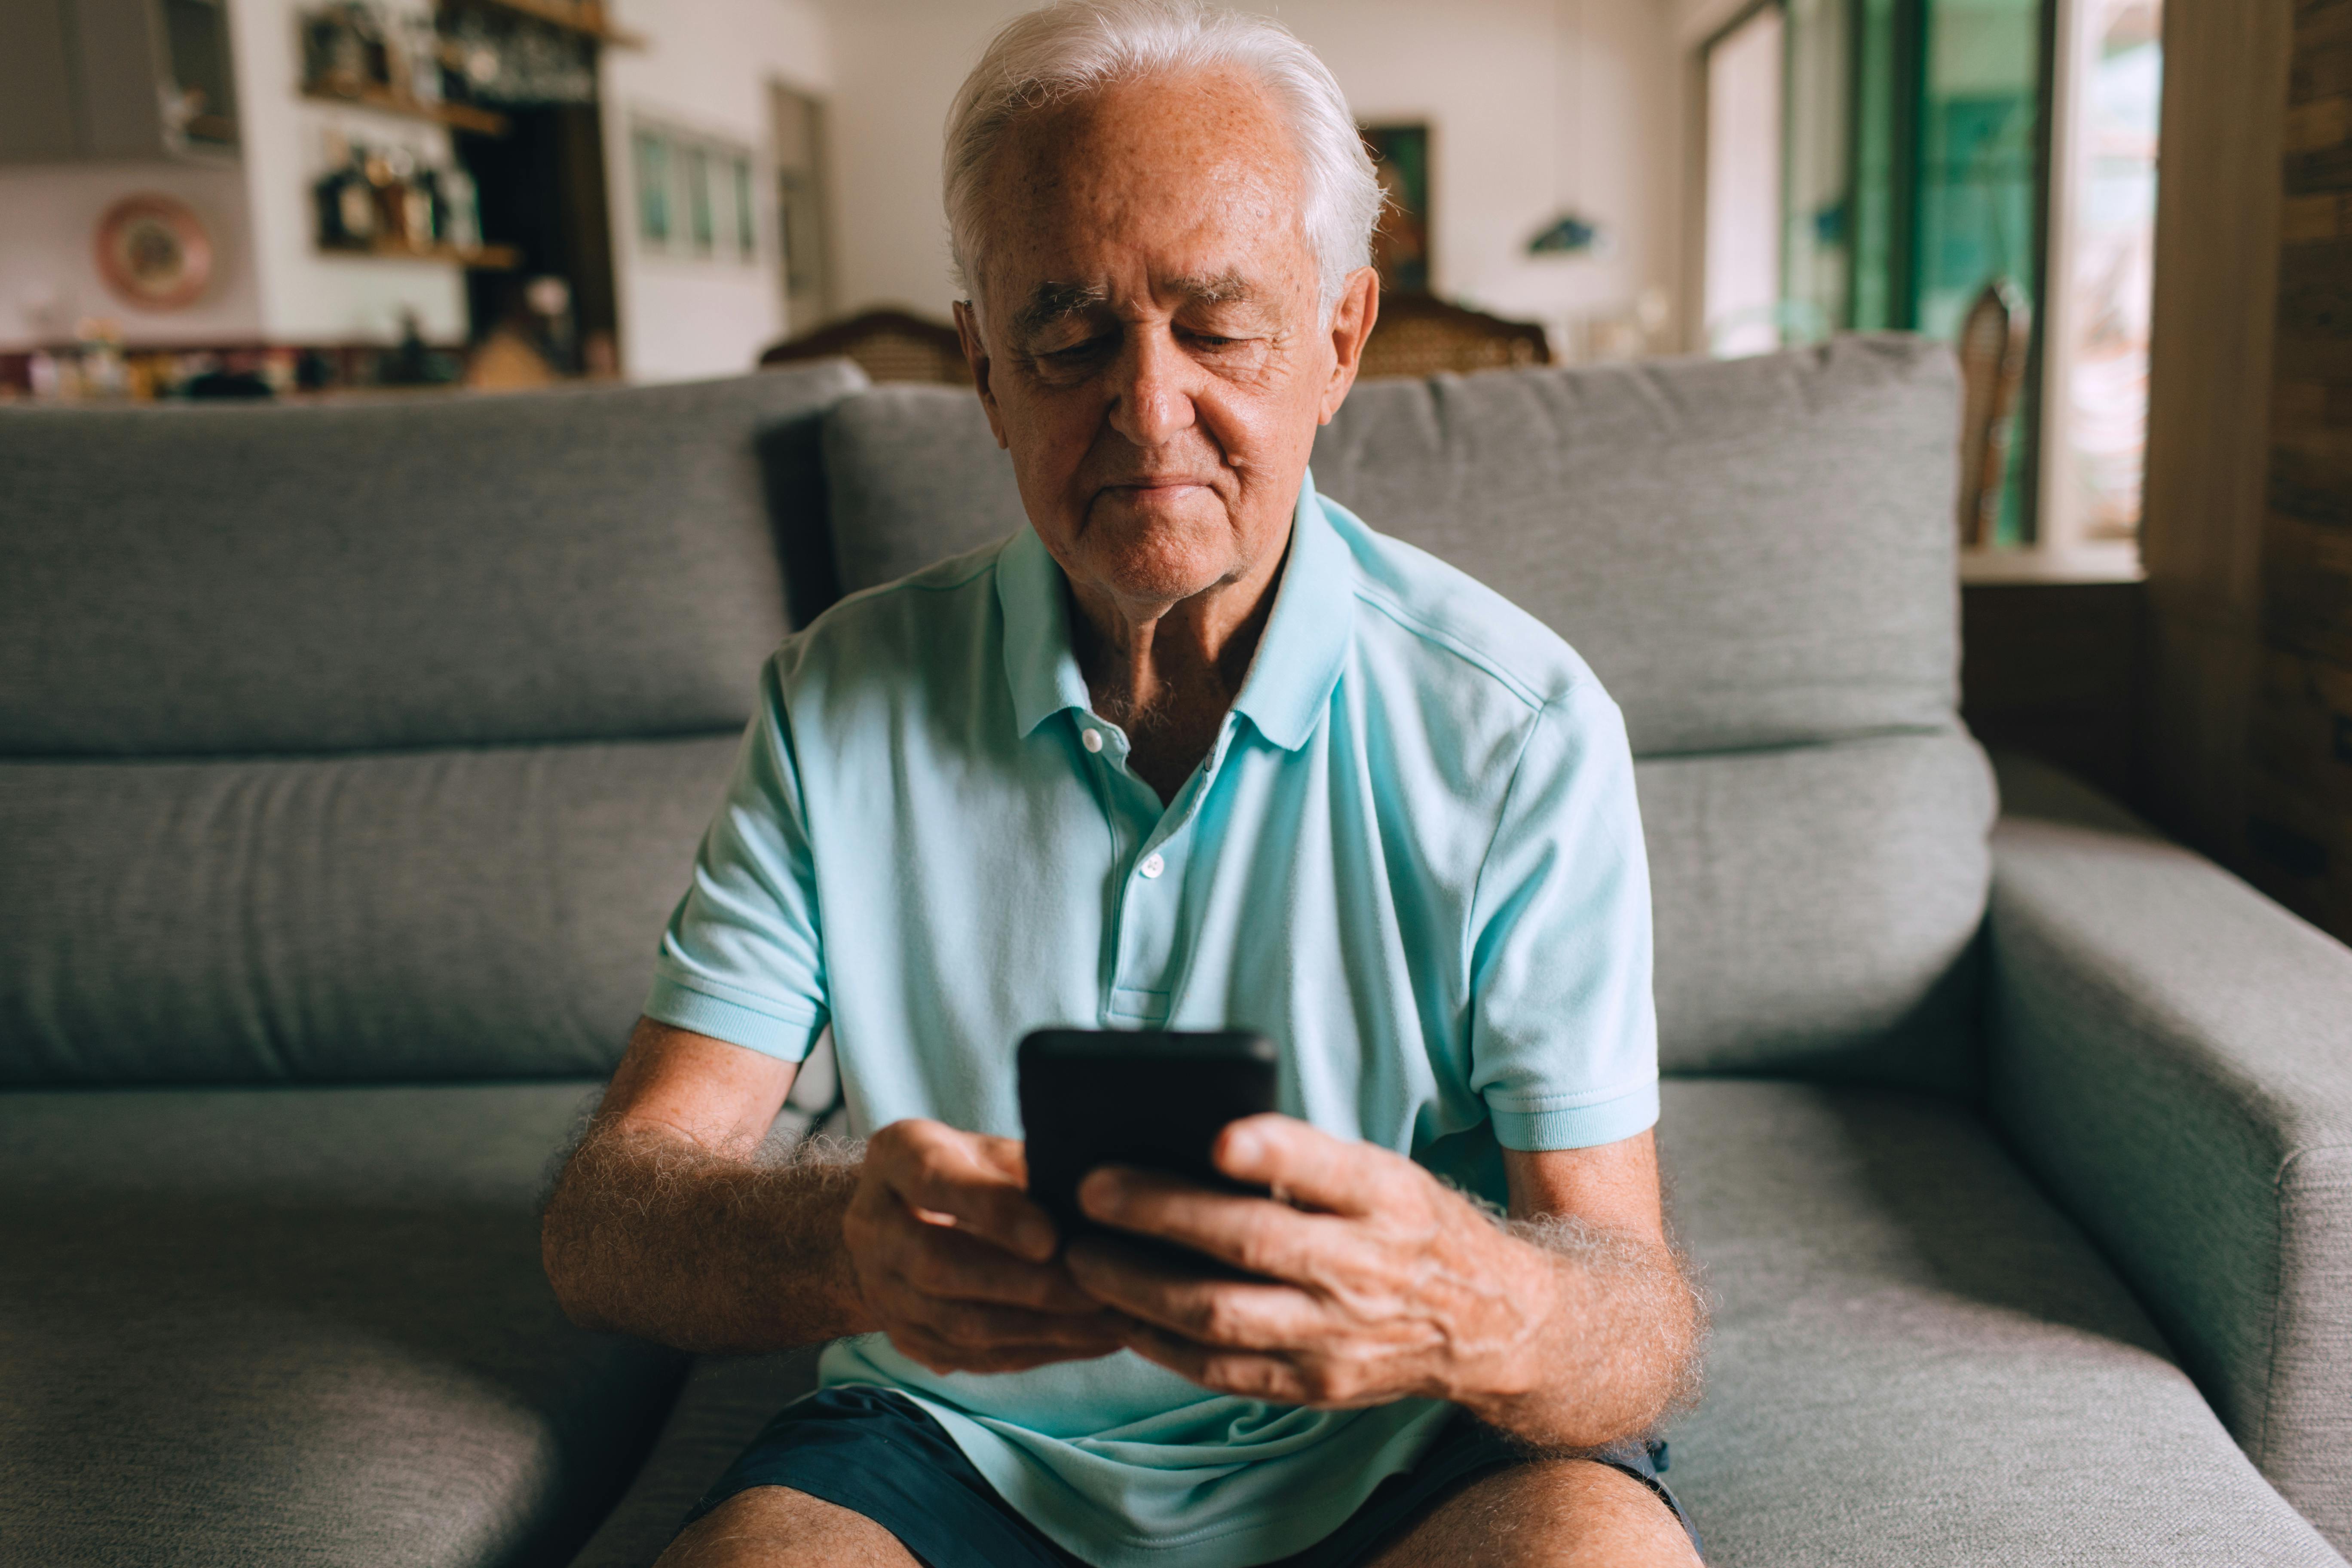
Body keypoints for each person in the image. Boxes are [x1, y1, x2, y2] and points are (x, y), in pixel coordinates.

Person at [540, 3, 1705, 1563]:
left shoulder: (1521, 726)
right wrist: (852, 1245)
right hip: (949, 1439)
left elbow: (1633, 1317)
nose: (1150, 415)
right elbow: (613, 1219)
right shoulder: (839, 700)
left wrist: (1466, 1295)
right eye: (1072, 336)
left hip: (1404, 1441)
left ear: (1339, 340)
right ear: (982, 367)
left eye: (1219, 326)